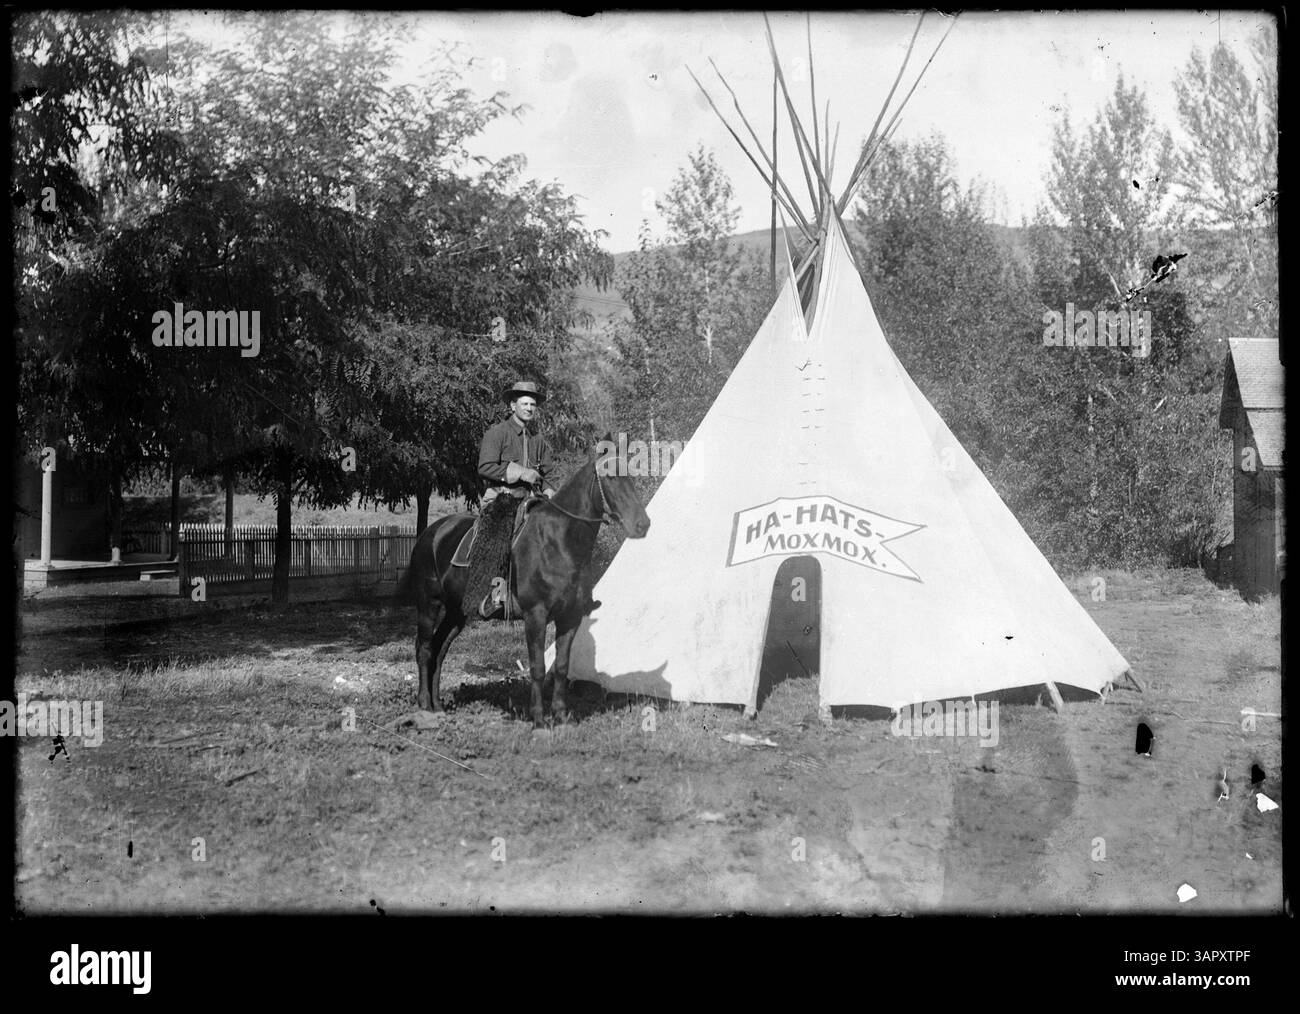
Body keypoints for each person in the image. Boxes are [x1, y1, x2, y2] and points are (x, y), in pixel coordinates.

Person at [465, 382, 555, 619]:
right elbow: (485, 467)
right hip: (502, 498)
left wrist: (550, 490)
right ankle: (493, 598)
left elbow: (549, 474)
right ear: (512, 405)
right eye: (524, 403)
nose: (529, 408)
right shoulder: (497, 433)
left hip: (531, 501)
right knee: (502, 537)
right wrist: (520, 473)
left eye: (533, 404)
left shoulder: (539, 439)